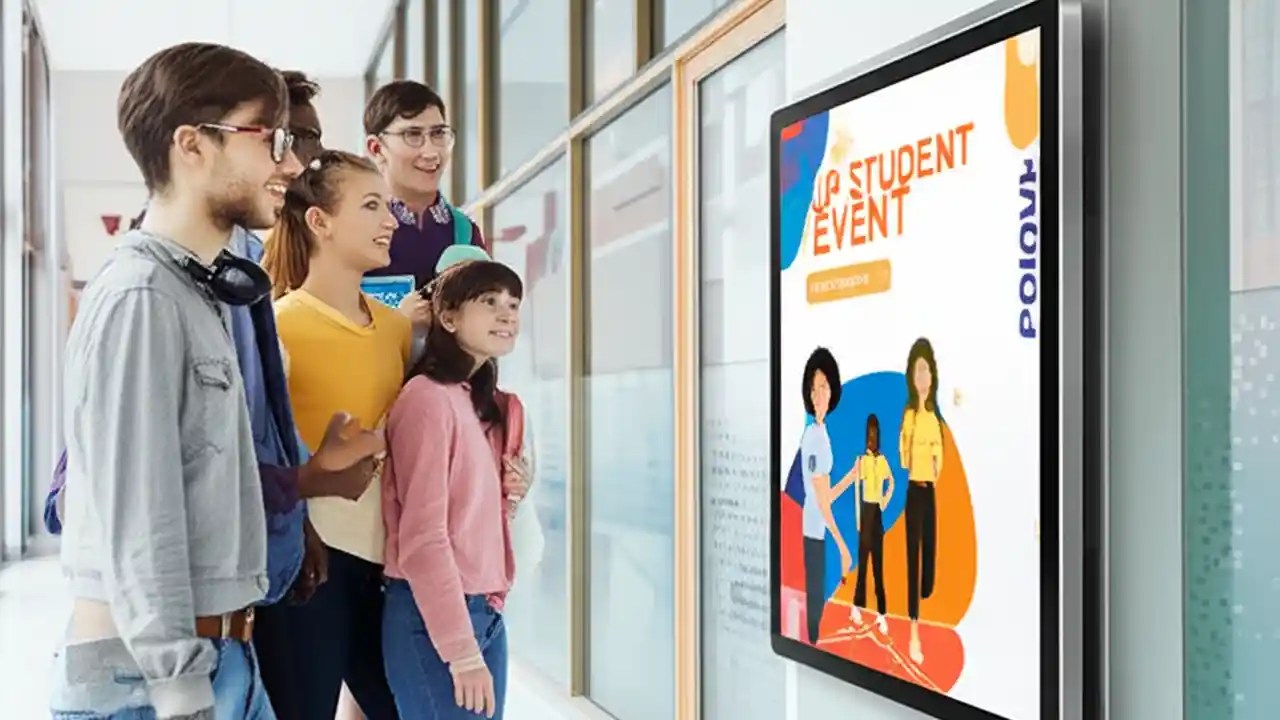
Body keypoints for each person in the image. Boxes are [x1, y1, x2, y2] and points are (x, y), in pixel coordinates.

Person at [53, 42, 299, 720]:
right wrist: (178, 687)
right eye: (271, 139)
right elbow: (139, 512)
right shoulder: (143, 297)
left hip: (216, 659)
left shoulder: (193, 292)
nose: (290, 164)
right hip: (154, 680)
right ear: (193, 145)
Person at [261, 149, 408, 720]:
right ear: (319, 221)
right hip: (311, 562)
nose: (389, 220)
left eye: (388, 206)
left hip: (389, 562)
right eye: (371, 206)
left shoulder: (396, 329)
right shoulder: (279, 325)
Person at [381, 259, 524, 720]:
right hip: (436, 617)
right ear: (448, 317)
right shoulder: (427, 399)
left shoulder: (472, 402)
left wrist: (509, 492)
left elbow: (466, 520)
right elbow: (422, 538)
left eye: (513, 304)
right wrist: (461, 653)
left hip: (482, 609)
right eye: (489, 301)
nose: (507, 314)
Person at [362, 80, 486, 329]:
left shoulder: (463, 233)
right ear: (376, 148)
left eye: (438, 134)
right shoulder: (355, 227)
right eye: (413, 135)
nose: (431, 153)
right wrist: (396, 323)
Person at [791, 347, 852, 646]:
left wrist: (851, 478)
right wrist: (843, 547)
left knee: (818, 601)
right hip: (815, 531)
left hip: (817, 528)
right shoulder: (814, 437)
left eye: (823, 387)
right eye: (813, 388)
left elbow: (823, 495)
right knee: (816, 605)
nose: (818, 395)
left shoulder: (821, 433)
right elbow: (821, 501)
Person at [900, 337, 945, 665]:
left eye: (925, 369)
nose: (922, 376)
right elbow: (904, 458)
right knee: (912, 560)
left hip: (929, 492)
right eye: (917, 370)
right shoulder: (910, 416)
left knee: (929, 558)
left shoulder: (933, 417)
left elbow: (938, 462)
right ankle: (912, 632)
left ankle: (925, 617)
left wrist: (929, 457)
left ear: (932, 375)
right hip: (913, 492)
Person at [844, 414, 894, 633]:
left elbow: (891, 482)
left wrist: (884, 501)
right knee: (863, 564)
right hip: (865, 512)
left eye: (875, 433)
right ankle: (856, 607)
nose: (872, 438)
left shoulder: (882, 461)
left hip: (876, 513)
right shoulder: (862, 461)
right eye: (870, 433)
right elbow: (856, 490)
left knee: (878, 565)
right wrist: (858, 519)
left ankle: (881, 614)